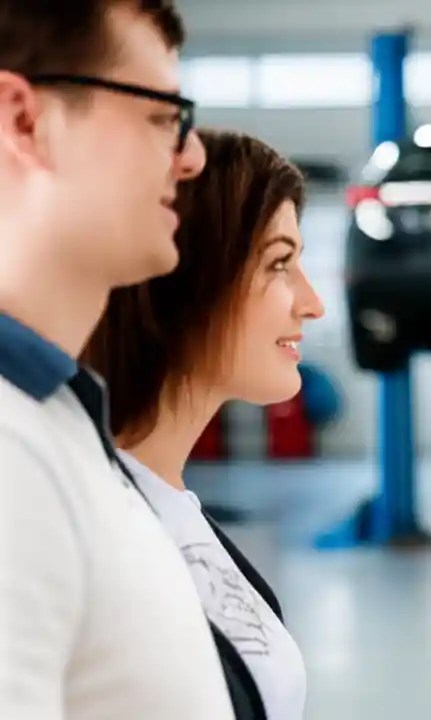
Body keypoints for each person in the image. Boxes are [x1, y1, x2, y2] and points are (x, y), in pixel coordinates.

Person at [0, 1, 237, 718]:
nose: (192, 156)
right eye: (165, 115)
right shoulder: (8, 448)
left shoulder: (54, 417)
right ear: (24, 120)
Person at [81, 127, 324, 720]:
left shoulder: (175, 510)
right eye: (279, 264)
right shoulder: (90, 531)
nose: (312, 301)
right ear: (185, 282)